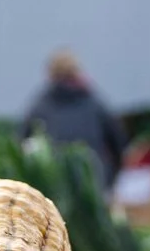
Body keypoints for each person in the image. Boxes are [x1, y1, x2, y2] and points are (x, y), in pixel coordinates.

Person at [24, 51, 128, 180]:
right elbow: (118, 141)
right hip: (92, 179)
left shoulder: (40, 105)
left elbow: (22, 141)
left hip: (52, 181)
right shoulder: (93, 102)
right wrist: (111, 175)